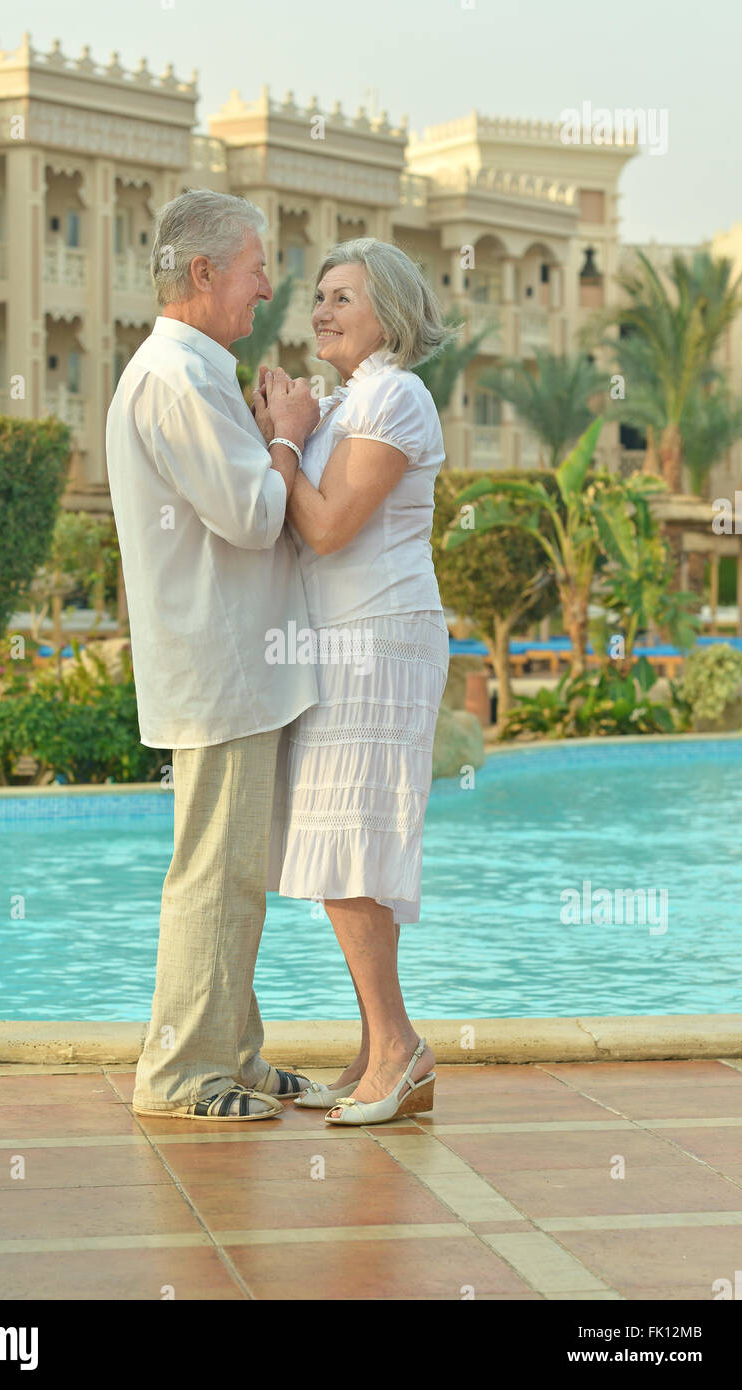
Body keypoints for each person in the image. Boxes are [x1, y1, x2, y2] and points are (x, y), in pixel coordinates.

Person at [105, 188, 320, 1121]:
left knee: (231, 870)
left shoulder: (193, 370)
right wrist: (288, 435)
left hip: (233, 663)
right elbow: (252, 514)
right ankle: (180, 1074)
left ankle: (229, 1051)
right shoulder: (177, 377)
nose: (268, 288)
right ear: (202, 273)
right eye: (255, 267)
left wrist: (266, 429)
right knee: (212, 871)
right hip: (221, 665)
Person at [258, 237, 451, 1125]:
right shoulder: (351, 399)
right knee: (343, 842)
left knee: (355, 845)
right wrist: (293, 430)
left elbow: (328, 527)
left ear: (391, 312)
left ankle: (400, 1049)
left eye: (343, 297)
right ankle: (379, 1048)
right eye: (319, 296)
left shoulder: (394, 394)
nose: (321, 310)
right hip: (340, 641)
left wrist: (285, 442)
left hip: (379, 637)